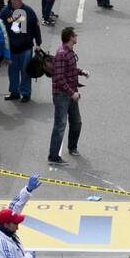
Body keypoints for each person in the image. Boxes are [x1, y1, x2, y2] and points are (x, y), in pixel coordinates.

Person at [49, 26, 87, 164]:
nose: (77, 37)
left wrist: (81, 71)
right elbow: (59, 77)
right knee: (60, 125)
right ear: (70, 37)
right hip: (62, 95)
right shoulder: (61, 53)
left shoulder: (69, 52)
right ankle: (53, 157)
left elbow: (70, 69)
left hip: (70, 93)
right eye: (75, 35)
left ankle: (72, 147)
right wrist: (72, 94)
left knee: (76, 122)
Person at [0, 0, 41, 102]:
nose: (20, 1)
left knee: (25, 70)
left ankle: (26, 93)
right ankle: (14, 92)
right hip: (12, 48)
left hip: (25, 47)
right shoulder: (5, 12)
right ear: (12, 0)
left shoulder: (28, 10)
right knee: (12, 71)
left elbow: (35, 27)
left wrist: (38, 43)